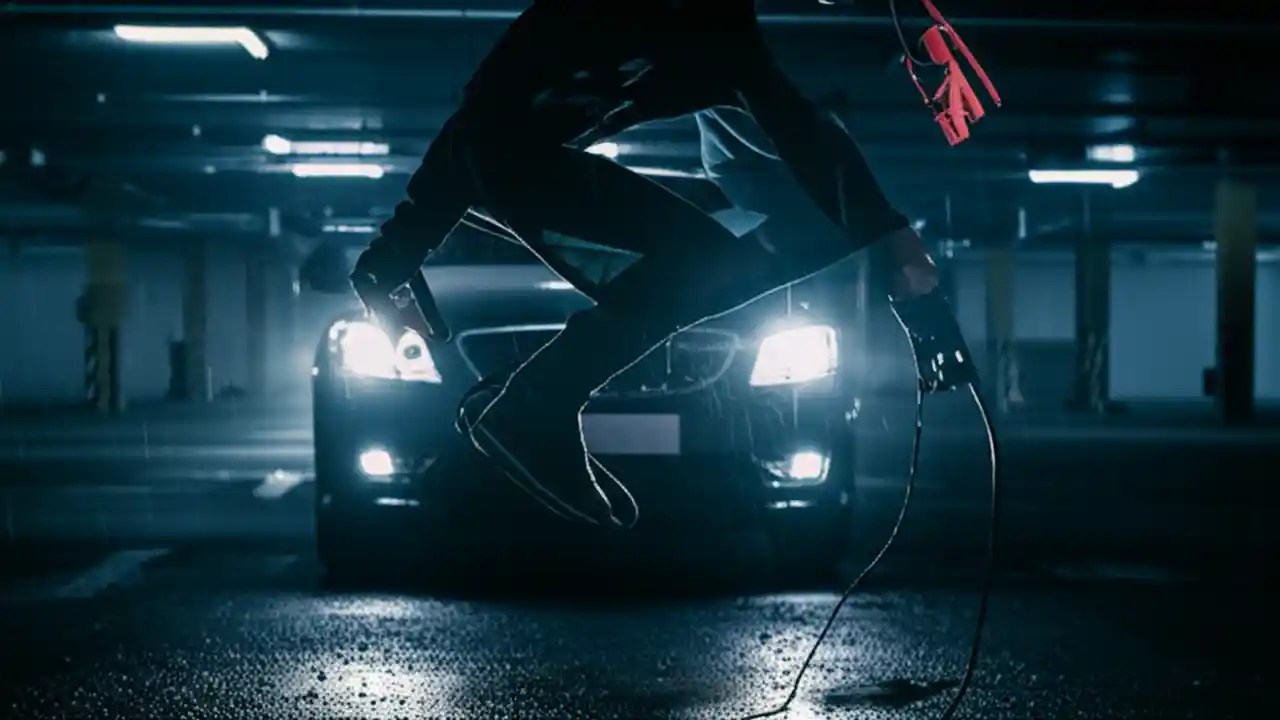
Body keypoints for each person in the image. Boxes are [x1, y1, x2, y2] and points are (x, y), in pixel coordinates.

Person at [350, 0, 947, 528]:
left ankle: (531, 402)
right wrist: (890, 231)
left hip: (505, 163)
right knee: (708, 264)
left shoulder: (702, 29)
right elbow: (792, 120)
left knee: (705, 266)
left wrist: (390, 257)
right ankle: (535, 405)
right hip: (513, 165)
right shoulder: (709, 18)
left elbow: (479, 118)